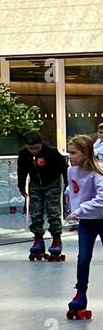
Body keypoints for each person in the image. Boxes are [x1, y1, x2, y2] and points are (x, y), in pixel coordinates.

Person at [65, 135, 103, 319]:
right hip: (87, 222)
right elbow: (73, 189)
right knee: (83, 257)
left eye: (73, 152)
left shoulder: (98, 173)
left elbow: (102, 199)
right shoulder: (71, 171)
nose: (70, 156)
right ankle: (80, 294)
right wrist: (71, 206)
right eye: (69, 152)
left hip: (101, 219)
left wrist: (79, 210)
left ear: (85, 153)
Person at [18, 133, 67, 261]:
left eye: (37, 148)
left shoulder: (51, 152)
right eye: (31, 148)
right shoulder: (23, 154)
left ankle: (56, 239)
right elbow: (21, 171)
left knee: (53, 212)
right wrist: (21, 187)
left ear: (41, 144)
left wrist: (68, 184)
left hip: (52, 183)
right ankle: (38, 239)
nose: (34, 151)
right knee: (35, 212)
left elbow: (64, 168)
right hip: (35, 184)